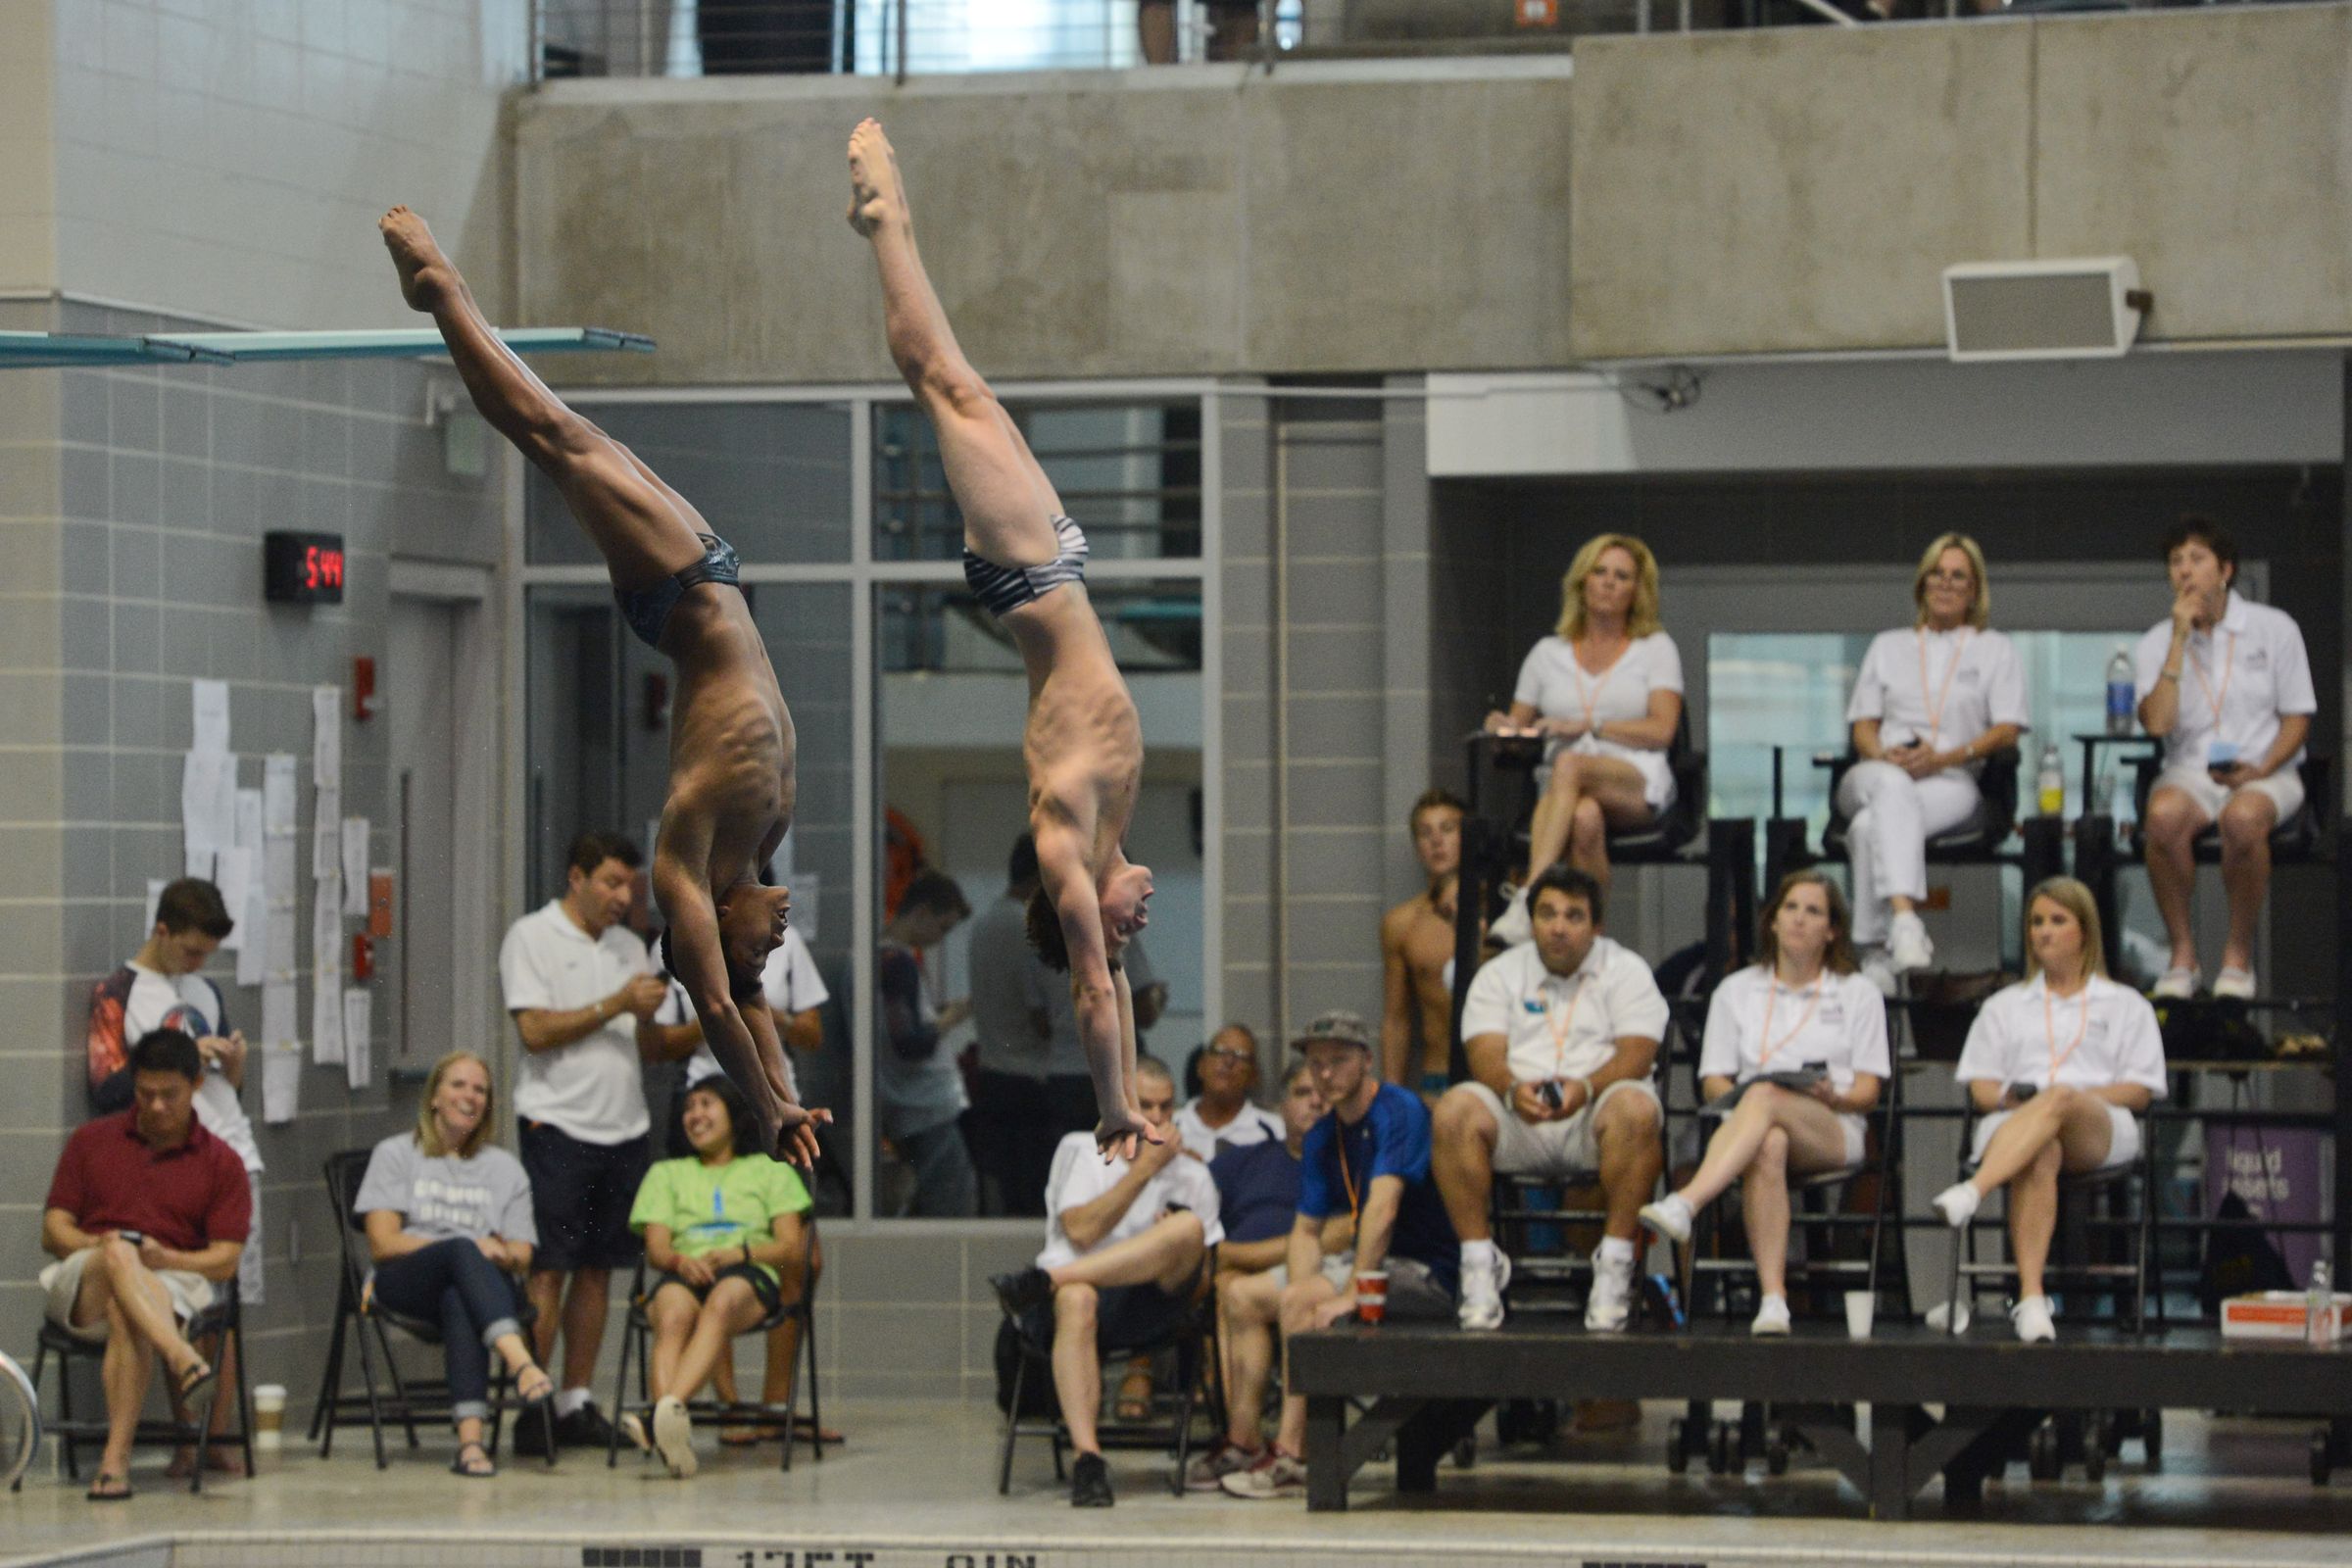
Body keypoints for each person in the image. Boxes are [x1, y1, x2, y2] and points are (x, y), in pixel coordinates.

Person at [379, 205, 820, 1161]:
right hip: (715, 573)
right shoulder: (763, 841)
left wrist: (766, 1110)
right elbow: (748, 1001)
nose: (774, 940)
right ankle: (448, 297)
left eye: (758, 946)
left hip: (677, 597)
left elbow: (715, 999)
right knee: (568, 434)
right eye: (768, 949)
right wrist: (784, 1087)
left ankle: (441, 291)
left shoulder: (685, 865)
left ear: (708, 924)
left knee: (554, 435)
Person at [849, 121, 1158, 1157]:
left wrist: (1114, 1107)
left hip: (1027, 579)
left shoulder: (1072, 853)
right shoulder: (1113, 835)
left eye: (1124, 929)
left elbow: (1094, 994)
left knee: (938, 379)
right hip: (1058, 568)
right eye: (1129, 928)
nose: (1135, 922)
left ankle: (883, 223)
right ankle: (899, 224)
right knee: (964, 381)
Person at [1214, 1012, 1458, 1501]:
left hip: (1426, 1269)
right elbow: (1305, 1231)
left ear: (1367, 1061)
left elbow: (1383, 1211)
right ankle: (1243, 1442)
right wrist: (1301, 1289)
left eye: (1339, 1061)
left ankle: (1293, 1454)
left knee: (1300, 1304)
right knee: (1241, 1295)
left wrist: (1350, 1292)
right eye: (1317, 1063)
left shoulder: (1398, 1110)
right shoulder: (1325, 1134)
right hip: (1368, 1264)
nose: (1325, 1074)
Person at [1637, 872, 1890, 1336]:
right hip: (1751, 1126)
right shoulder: (1736, 990)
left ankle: (1687, 1203)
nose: (1798, 919)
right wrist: (1744, 1100)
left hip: (1832, 1124)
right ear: (1772, 922)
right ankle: (1774, 1299)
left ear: (1832, 930)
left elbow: (1869, 1092)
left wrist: (1834, 1094)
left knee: (1765, 1096)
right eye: (1790, 908)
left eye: (1813, 911)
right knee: (1768, 1139)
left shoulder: (1859, 993)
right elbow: (1713, 1081)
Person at [1931, 877, 2168, 1343]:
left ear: (2085, 931)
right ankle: (2033, 1300)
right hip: (2016, 1123)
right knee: (2041, 1149)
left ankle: (1973, 1192)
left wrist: (2069, 1100)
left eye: (2057, 921)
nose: (2044, 932)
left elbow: (2140, 1090)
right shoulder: (2004, 1005)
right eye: (2037, 922)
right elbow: (1981, 1088)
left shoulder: (2125, 1004)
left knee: (2059, 1096)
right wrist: (2014, 1099)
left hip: (2097, 1123)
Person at [1436, 864, 1668, 1333]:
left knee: (1637, 1107)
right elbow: (1482, 1051)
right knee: (1454, 1109)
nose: (1558, 927)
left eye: (1573, 916)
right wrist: (1509, 1088)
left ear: (1596, 926)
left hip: (1593, 1114)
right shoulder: (1499, 973)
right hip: (1518, 1113)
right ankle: (1480, 1265)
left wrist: (1586, 1088)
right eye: (1546, 914)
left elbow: (1639, 1053)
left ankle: (1616, 1267)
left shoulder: (1627, 970)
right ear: (1532, 921)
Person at [83, 876, 263, 1474]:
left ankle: (217, 1438)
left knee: (225, 1296)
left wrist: (231, 1066)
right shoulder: (120, 992)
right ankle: (187, 1439)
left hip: (225, 1147)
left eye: (206, 955)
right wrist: (173, 1058)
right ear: (160, 931)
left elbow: (229, 1094)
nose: (197, 963)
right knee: (159, 1284)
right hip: (162, 1158)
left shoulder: (204, 989)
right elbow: (106, 1090)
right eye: (188, 950)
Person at [498, 831, 668, 1453]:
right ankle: (532, 1404)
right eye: (612, 883)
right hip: (558, 1124)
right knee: (551, 1268)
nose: (624, 898)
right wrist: (616, 1001)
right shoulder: (532, 937)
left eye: (632, 887)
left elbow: (646, 1048)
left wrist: (655, 1017)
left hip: (624, 1124)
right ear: (577, 878)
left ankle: (576, 1400)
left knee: (600, 1269)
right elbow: (536, 1031)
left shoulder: (630, 947)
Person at [989, 1057, 1220, 1508]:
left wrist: (1163, 1244)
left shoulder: (1193, 1173)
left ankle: (1047, 1280)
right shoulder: (1081, 1148)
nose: (1156, 1118)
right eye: (1145, 1105)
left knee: (1187, 1230)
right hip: (1068, 1307)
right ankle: (1089, 1460)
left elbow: (1201, 1285)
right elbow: (1080, 1232)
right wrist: (1142, 1173)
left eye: (1166, 1107)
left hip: (1145, 1302)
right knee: (1077, 1299)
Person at [40, 1030, 247, 1501]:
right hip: (87, 1273)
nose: (155, 1107)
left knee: (129, 1307)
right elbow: (53, 1231)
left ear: (195, 1085)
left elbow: (226, 1259)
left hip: (170, 1276)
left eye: (168, 1095)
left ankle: (114, 1463)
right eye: (144, 1093)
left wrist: (165, 1257)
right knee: (118, 1256)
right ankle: (182, 1358)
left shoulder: (222, 1162)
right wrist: (101, 1243)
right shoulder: (91, 1141)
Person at [652, 921, 830, 1438]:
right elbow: (658, 1041)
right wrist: (718, 1011)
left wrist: (760, 1013)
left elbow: (813, 1032)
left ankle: (774, 1408)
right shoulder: (683, 935)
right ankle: (726, 1406)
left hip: (773, 1104)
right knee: (710, 1238)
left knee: (801, 1257)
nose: (779, 916)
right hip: (710, 1099)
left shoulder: (786, 940)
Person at [2134, 517, 2316, 1000]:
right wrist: (2178, 639)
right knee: (2163, 816)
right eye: (2176, 562)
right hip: (2190, 772)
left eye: (2196, 560)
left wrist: (2262, 768)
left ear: (2226, 570)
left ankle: (2237, 956)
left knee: (2242, 818)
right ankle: (2183, 954)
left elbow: (2298, 718)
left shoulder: (2274, 628)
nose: (2185, 572)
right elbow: (2156, 724)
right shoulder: (2157, 640)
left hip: (2266, 768)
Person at [1839, 533, 2029, 994]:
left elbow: (2008, 728)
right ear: (1922, 583)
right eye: (1937, 574)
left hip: (1951, 776)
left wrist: (1945, 756)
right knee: (1888, 787)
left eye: (1958, 575)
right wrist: (1885, 756)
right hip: (1878, 768)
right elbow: (1862, 724)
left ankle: (1875, 952)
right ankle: (1905, 919)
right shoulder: (1888, 645)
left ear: (1974, 588)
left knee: (1867, 829)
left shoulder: (1994, 648)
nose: (1946, 583)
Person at [353, 1052, 552, 1478]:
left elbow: (523, 1253)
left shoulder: (505, 1169)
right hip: (406, 1281)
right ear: (434, 1099)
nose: (470, 1096)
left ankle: (470, 1446)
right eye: (458, 1085)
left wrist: (503, 1253)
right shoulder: (396, 1154)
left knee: (460, 1295)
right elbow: (382, 1243)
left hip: (480, 1291)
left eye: (480, 1089)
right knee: (462, 1250)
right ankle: (521, 1362)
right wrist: (466, 1247)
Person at [1485, 533, 1683, 943]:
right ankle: (1591, 939)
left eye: (1622, 576)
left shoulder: (1655, 648)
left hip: (1633, 773)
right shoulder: (1546, 653)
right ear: (1583, 581)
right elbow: (1518, 728)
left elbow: (1663, 730)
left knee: (1570, 765)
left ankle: (1530, 898)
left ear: (1637, 590)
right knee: (1584, 817)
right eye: (1601, 572)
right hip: (1561, 785)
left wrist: (1590, 726)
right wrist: (1500, 725)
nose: (1609, 583)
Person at [620, 1074, 813, 1478]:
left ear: (733, 1114)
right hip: (686, 1270)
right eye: (689, 1108)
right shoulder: (666, 1174)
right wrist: (677, 1262)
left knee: (723, 1300)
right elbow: (656, 1248)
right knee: (671, 1313)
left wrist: (738, 1253)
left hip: (748, 1273)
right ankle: (670, 1430)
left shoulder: (770, 1169)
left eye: (706, 1104)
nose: (695, 1115)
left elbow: (791, 1247)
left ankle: (661, 1416)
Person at [876, 868, 977, 1215]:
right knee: (953, 1200)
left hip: (908, 1104)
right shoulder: (897, 961)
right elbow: (910, 1043)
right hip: (924, 1105)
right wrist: (952, 1018)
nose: (941, 938)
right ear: (920, 913)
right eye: (943, 927)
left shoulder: (884, 959)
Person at [1380, 788, 1468, 1093]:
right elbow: (1396, 1019)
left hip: (1496, 1072)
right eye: (1425, 832)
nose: (1436, 841)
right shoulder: (1402, 924)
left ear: (1467, 837)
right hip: (1438, 1075)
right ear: (1417, 845)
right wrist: (1392, 1095)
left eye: (1448, 829)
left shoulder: (1502, 914)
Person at [1174, 1025, 1283, 1159]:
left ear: (1254, 1076)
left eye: (1240, 1055)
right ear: (1201, 1066)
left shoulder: (1276, 1131)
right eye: (1220, 1051)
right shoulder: (1171, 1125)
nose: (1228, 1061)